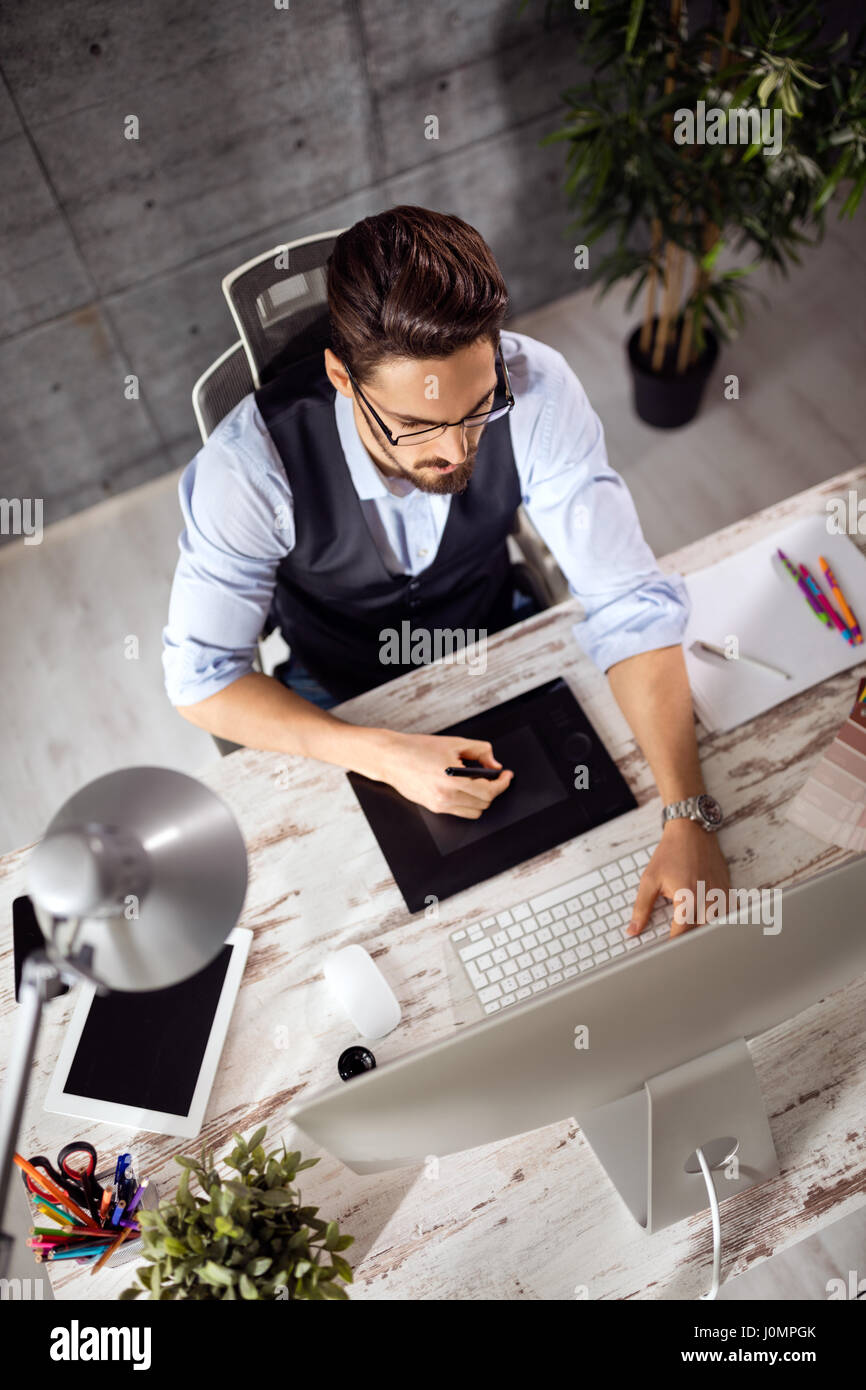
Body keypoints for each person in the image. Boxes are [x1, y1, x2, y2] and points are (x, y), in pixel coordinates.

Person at [163, 205, 729, 937]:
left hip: (499, 630)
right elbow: (202, 681)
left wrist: (686, 811)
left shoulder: (537, 390)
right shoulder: (249, 469)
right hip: (340, 689)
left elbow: (627, 599)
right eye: (420, 426)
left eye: (478, 408)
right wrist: (376, 751)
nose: (459, 450)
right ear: (342, 376)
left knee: (590, 853)